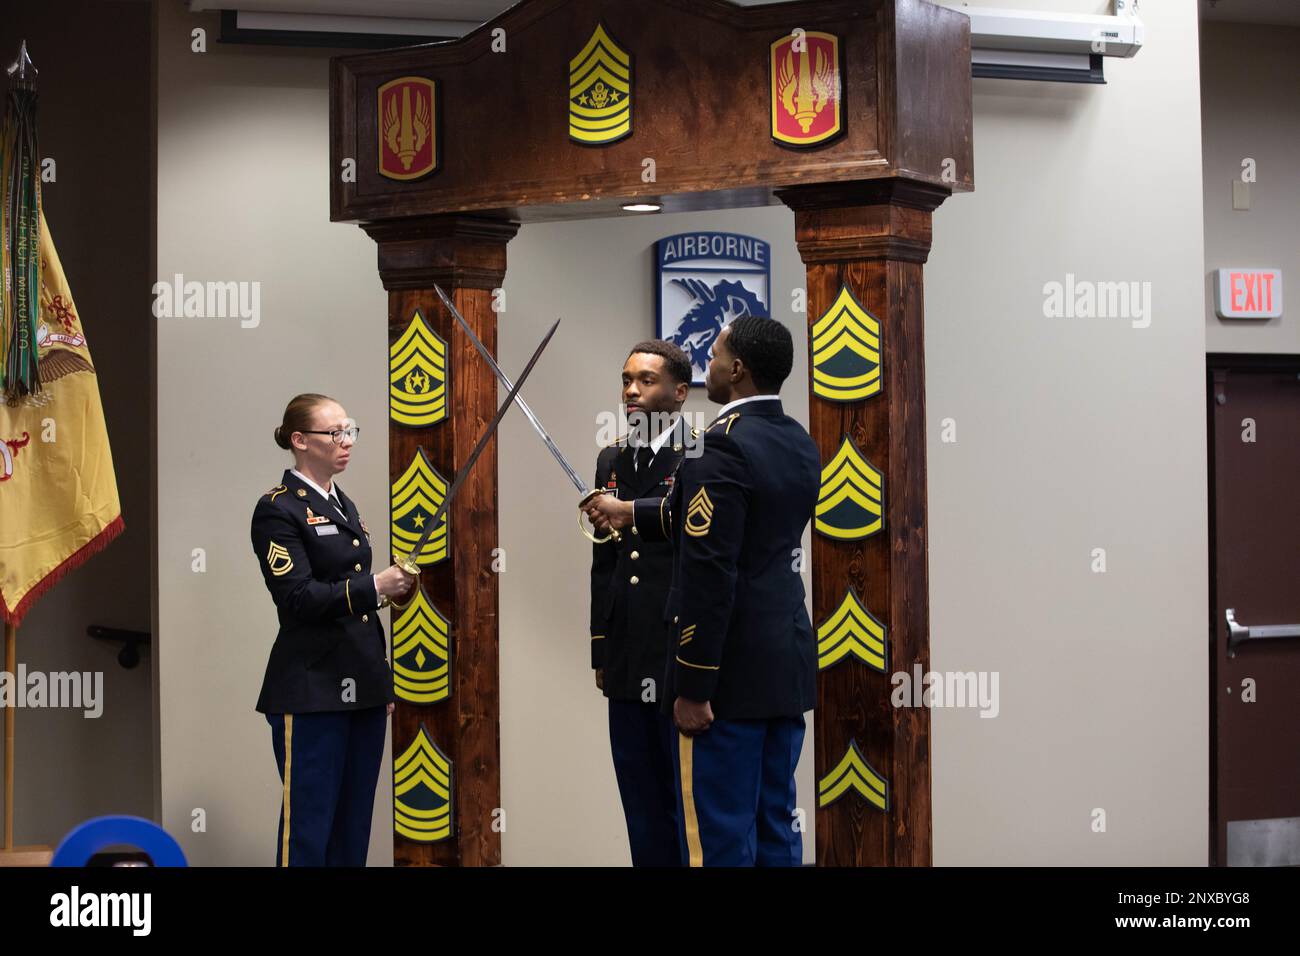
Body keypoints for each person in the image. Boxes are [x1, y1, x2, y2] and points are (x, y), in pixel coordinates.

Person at [585, 316, 820, 867]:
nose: (708, 366)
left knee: (715, 837)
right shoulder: (797, 440)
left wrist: (691, 683)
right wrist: (631, 513)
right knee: (775, 828)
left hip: (724, 671)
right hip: (782, 663)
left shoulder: (716, 447)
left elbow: (709, 570)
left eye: (714, 356)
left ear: (735, 369)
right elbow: (707, 522)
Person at [251, 393, 416, 866]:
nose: (347, 442)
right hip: (312, 688)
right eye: (335, 433)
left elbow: (355, 604)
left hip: (361, 684)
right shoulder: (277, 510)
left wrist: (389, 593)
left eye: (350, 431)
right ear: (300, 441)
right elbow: (298, 598)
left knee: (352, 828)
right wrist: (373, 585)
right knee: (308, 830)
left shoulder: (342, 504)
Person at [590, 340, 694, 866]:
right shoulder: (612, 457)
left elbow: (697, 533)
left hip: (678, 649)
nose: (632, 390)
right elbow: (604, 564)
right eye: (627, 379)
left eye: (646, 381)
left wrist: (629, 509)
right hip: (628, 651)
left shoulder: (701, 451)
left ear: (679, 392)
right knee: (639, 796)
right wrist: (600, 648)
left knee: (683, 802)